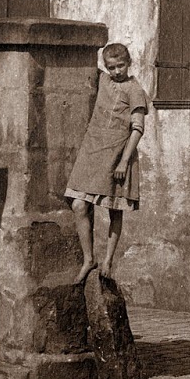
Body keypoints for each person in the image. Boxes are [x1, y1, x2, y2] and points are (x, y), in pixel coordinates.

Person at [62, 43, 149, 283]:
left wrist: (123, 162)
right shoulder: (103, 81)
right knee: (79, 205)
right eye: (111, 67)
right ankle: (89, 258)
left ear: (129, 63)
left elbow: (137, 129)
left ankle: (108, 259)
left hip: (118, 156)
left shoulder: (134, 90)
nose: (117, 71)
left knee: (115, 210)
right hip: (93, 152)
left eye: (121, 65)